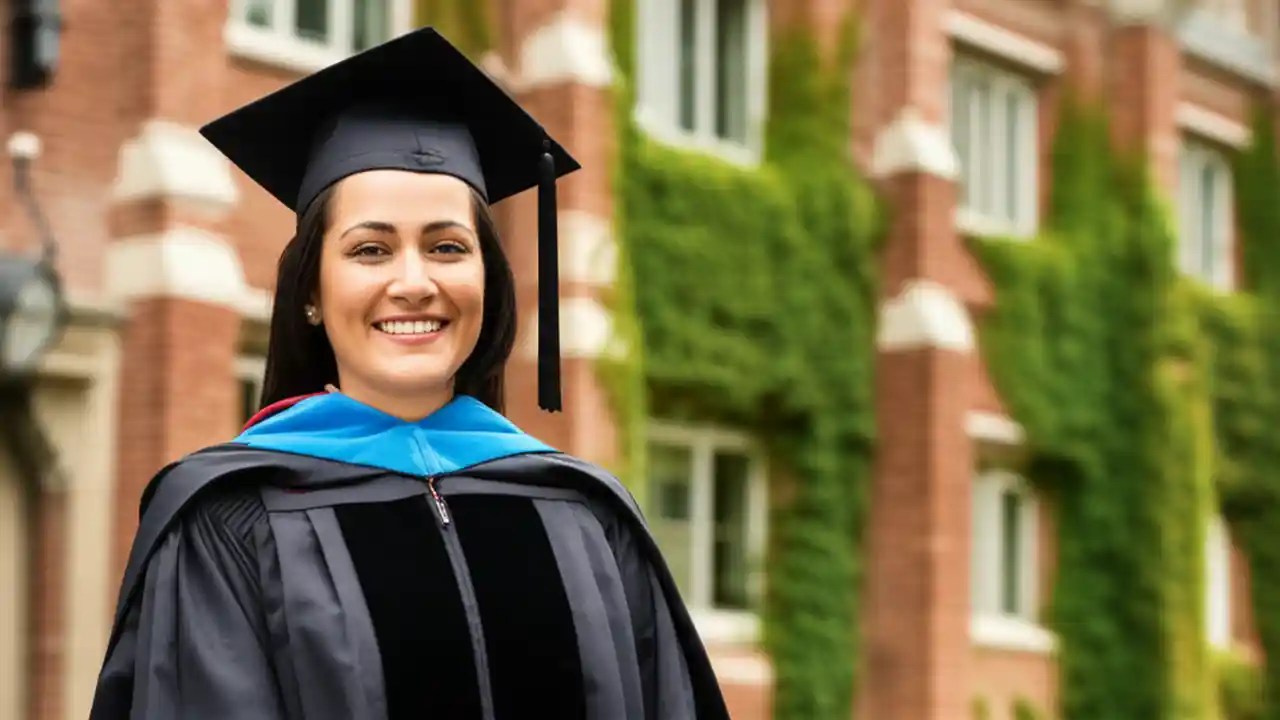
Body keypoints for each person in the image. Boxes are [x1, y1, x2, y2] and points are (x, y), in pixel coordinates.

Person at [89, 28, 729, 720]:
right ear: (310, 290)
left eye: (448, 247)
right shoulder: (228, 520)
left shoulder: (587, 513)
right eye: (370, 249)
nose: (415, 282)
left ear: (490, 278)